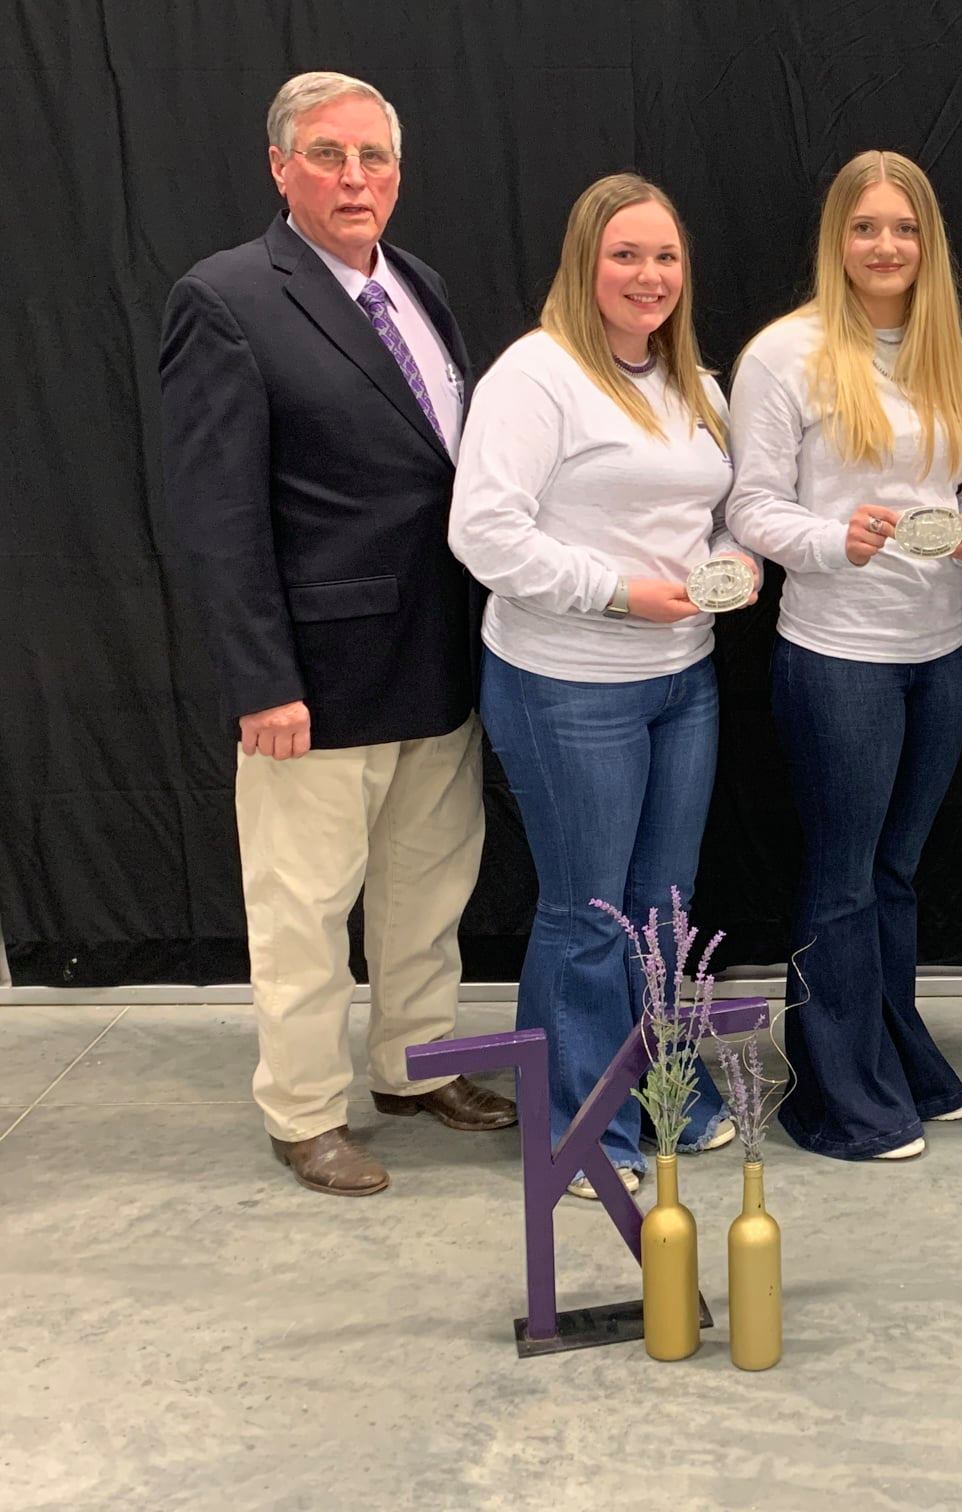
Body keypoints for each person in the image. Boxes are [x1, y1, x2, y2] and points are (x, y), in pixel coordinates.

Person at [159, 71, 514, 1197]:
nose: (355, 178)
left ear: (399, 175)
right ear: (280, 167)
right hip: (314, 678)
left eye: (374, 158)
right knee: (304, 909)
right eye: (328, 155)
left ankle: (415, 1069)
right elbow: (218, 518)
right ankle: (305, 1113)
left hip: (438, 656)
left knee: (428, 887)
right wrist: (261, 680)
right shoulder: (224, 300)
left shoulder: (420, 284)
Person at [450, 174, 755, 1198]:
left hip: (685, 682)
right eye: (626, 255)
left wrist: (732, 564)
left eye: (665, 257)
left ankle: (660, 1088)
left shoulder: (696, 386)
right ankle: (576, 1127)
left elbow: (716, 520)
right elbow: (483, 534)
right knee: (588, 914)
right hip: (566, 685)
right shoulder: (536, 378)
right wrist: (621, 596)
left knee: (662, 912)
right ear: (585, 264)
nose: (649, 275)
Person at [725, 150, 962, 1161]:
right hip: (837, 652)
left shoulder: (956, 362)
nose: (885, 247)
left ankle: (893, 1055)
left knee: (893, 871)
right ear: (836, 239)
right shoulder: (783, 356)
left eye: (904, 229)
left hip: (939, 652)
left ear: (928, 244)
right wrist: (831, 541)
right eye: (865, 228)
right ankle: (836, 1096)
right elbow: (750, 505)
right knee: (841, 876)